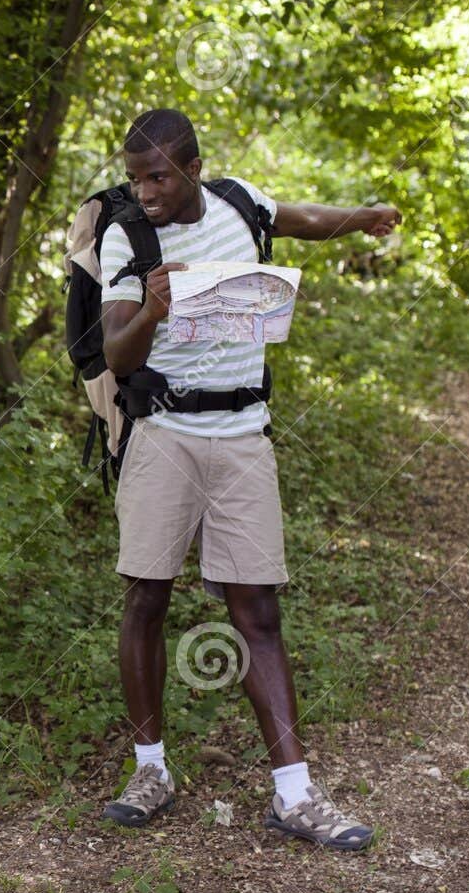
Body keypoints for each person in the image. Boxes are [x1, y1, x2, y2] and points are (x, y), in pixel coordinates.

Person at [98, 108, 401, 851]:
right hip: (164, 434)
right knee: (147, 597)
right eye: (136, 178)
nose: (145, 191)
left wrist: (361, 217)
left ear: (193, 169)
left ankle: (294, 796)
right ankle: (149, 771)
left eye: (157, 177)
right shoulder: (128, 236)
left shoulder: (239, 203)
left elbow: (302, 219)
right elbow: (117, 354)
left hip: (242, 436)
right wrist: (153, 311)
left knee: (258, 612)